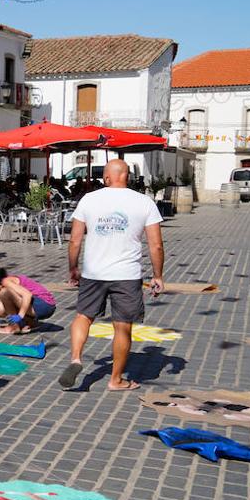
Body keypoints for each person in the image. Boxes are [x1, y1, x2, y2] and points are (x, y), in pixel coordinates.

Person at [60, 159, 165, 392]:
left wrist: (73, 268)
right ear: (127, 176)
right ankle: (116, 380)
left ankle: (76, 358)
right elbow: (155, 245)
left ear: (106, 178)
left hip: (93, 272)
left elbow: (75, 239)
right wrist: (158, 275)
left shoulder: (89, 199)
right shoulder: (144, 202)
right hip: (126, 274)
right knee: (122, 327)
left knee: (83, 316)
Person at [0, 267, 56, 334]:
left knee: (4, 292)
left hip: (45, 305)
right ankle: (31, 323)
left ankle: (14, 327)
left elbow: (27, 295)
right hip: (37, 305)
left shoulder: (6, 282)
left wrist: (20, 316)